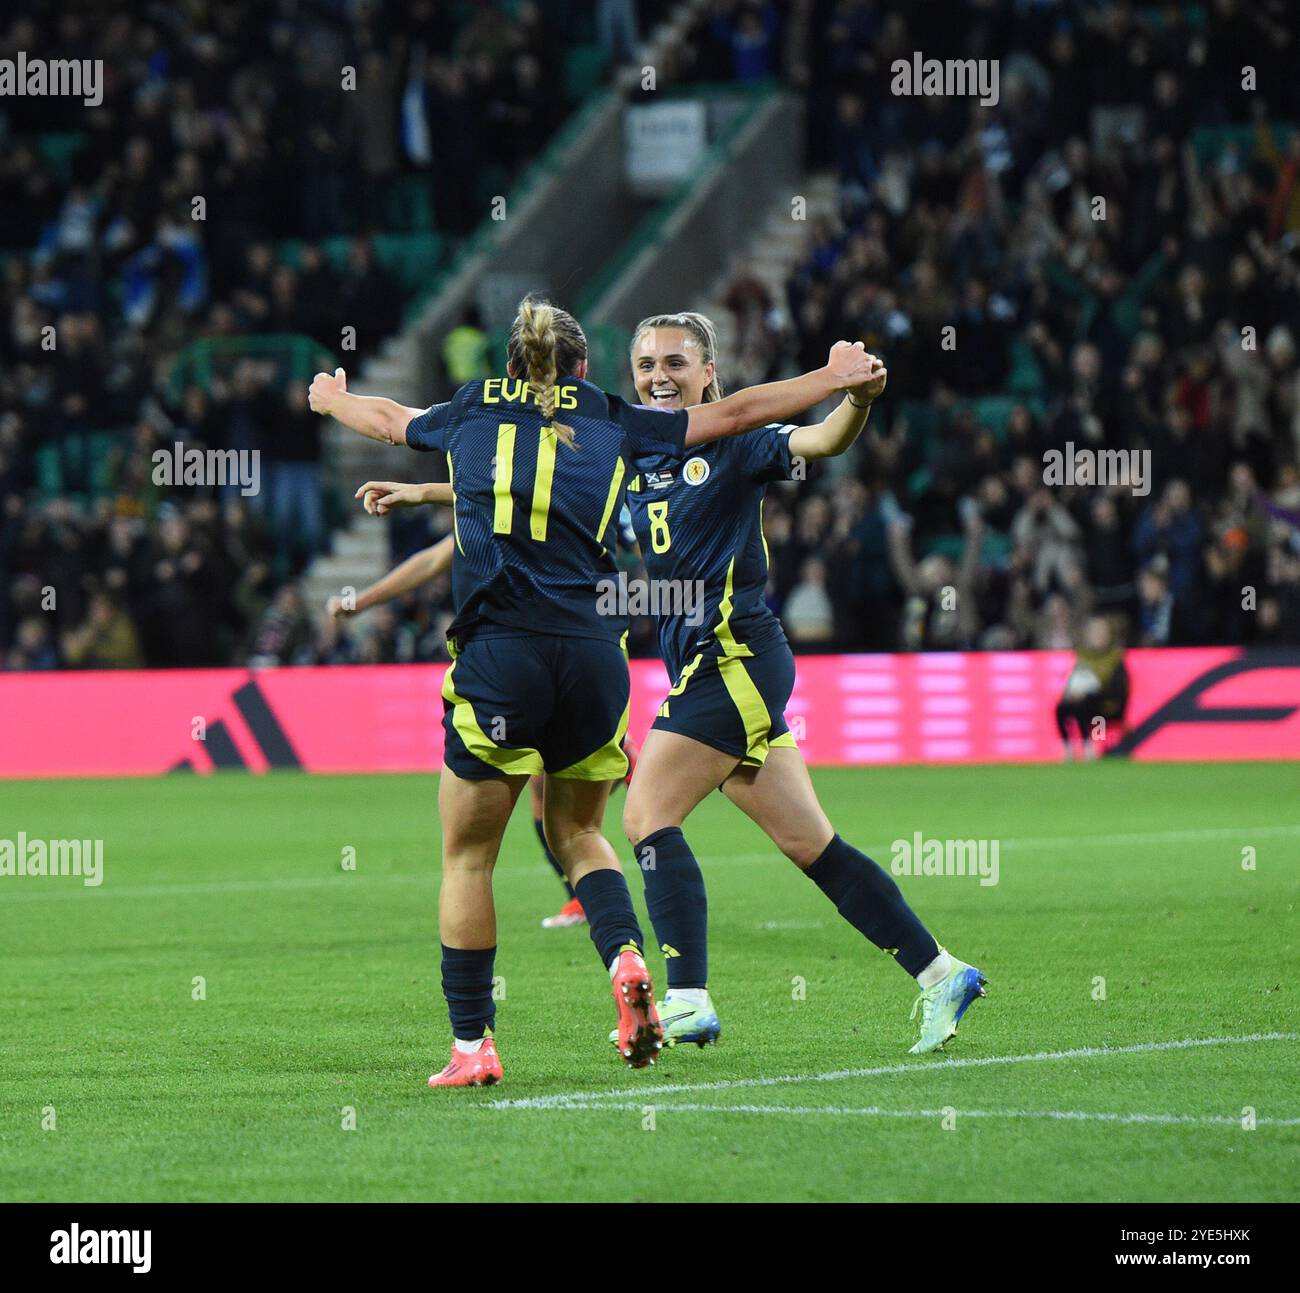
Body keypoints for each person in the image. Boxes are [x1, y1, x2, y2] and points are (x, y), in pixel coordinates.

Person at [308, 296, 878, 1087]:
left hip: (500, 655)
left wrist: (332, 399)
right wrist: (832, 374)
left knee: (469, 857)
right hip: (593, 658)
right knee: (579, 836)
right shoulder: (615, 420)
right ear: (583, 367)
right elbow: (742, 409)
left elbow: (388, 418)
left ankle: (474, 1046)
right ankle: (627, 962)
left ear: (510, 366)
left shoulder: (471, 409)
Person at [616, 312, 986, 1055]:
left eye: (676, 363)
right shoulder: (627, 452)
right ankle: (941, 971)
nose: (660, 375)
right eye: (647, 363)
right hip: (703, 664)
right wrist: (431, 495)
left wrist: (858, 400)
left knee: (646, 813)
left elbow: (820, 440)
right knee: (811, 843)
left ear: (709, 373)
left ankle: (687, 995)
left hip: (738, 656)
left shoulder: (735, 441)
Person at [324, 530, 634, 928]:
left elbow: (437, 557)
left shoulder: (500, 504)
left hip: (523, 654)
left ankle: (628, 767)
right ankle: (593, 909)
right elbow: (435, 557)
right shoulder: (524, 499)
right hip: (582, 654)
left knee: (488, 846)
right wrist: (363, 601)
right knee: (554, 805)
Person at [1055, 615, 1129, 759]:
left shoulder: (1115, 658)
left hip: (1106, 705)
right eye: (1095, 632)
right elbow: (1071, 681)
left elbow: (1118, 691)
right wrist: (1070, 694)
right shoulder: (1082, 657)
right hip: (1083, 703)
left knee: (1091, 710)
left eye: (1102, 632)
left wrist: (1090, 694)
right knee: (1062, 708)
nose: (1098, 636)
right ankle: (1069, 746)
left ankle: (1095, 745)